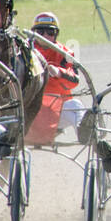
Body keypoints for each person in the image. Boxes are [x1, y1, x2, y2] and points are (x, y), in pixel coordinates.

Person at [27, 12, 89, 142]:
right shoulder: (25, 52)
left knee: (76, 105)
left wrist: (59, 72)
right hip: (29, 114)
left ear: (56, 34)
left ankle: (87, 137)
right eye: (40, 31)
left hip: (55, 114)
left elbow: (74, 80)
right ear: (34, 33)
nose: (45, 36)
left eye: (49, 32)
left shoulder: (66, 53)